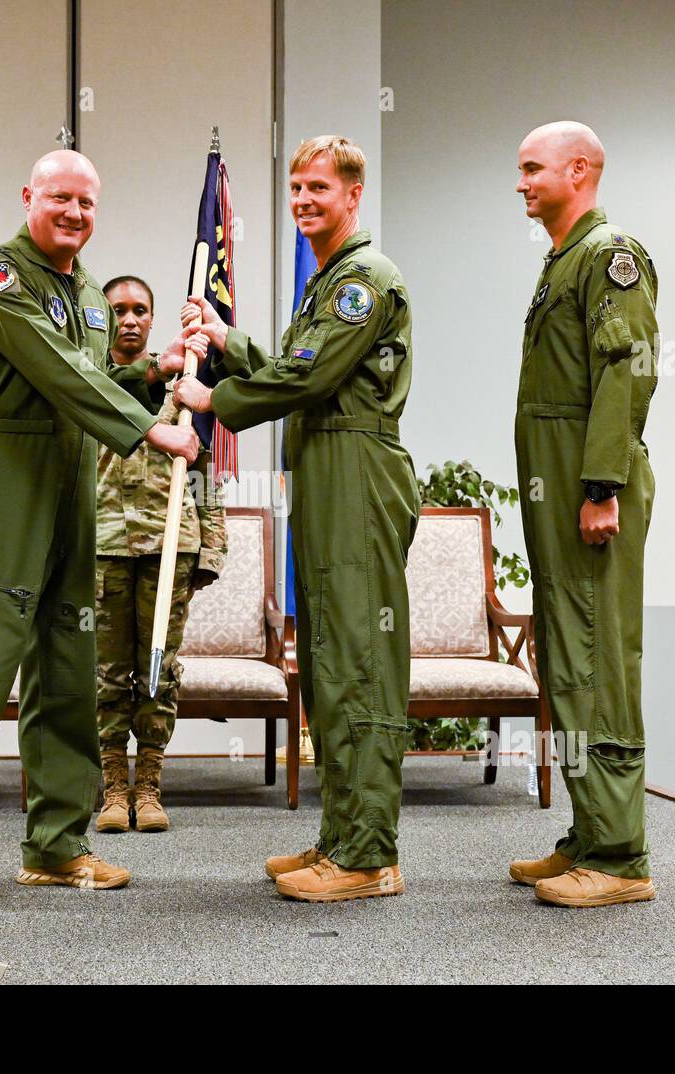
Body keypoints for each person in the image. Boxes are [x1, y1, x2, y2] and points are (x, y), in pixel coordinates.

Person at [0, 150, 200, 914]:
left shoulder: (93, 295)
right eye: (61, 198)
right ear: (29, 198)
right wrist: (150, 427)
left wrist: (151, 373)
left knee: (67, 668)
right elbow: (52, 368)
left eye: (87, 202)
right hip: (6, 468)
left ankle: (57, 844)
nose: (75, 213)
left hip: (76, 475)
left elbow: (92, 372)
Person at [174, 135, 420, 902]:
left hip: (357, 475)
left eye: (320, 187)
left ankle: (371, 857)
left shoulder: (363, 280)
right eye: (296, 188)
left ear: (353, 195)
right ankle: (341, 838)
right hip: (324, 474)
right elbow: (295, 360)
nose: (305, 199)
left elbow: (309, 374)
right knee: (326, 664)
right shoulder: (328, 280)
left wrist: (218, 399)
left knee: (360, 666)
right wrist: (224, 340)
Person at [510, 121, 659, 907]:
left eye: (533, 168)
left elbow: (626, 369)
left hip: (589, 492)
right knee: (569, 661)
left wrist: (601, 485)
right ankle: (587, 832)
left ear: (580, 169)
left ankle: (621, 857)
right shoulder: (563, 260)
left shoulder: (610, 255)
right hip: (560, 490)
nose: (522, 181)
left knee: (598, 666)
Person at [94, 275, 227, 833]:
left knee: (159, 668)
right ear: (104, 318)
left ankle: (148, 784)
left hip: (168, 545)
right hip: (103, 546)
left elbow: (204, 473)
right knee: (107, 673)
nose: (129, 319)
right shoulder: (89, 383)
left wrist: (211, 549)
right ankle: (113, 789)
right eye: (118, 310)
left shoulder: (184, 383)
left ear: (153, 319)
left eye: (140, 310)